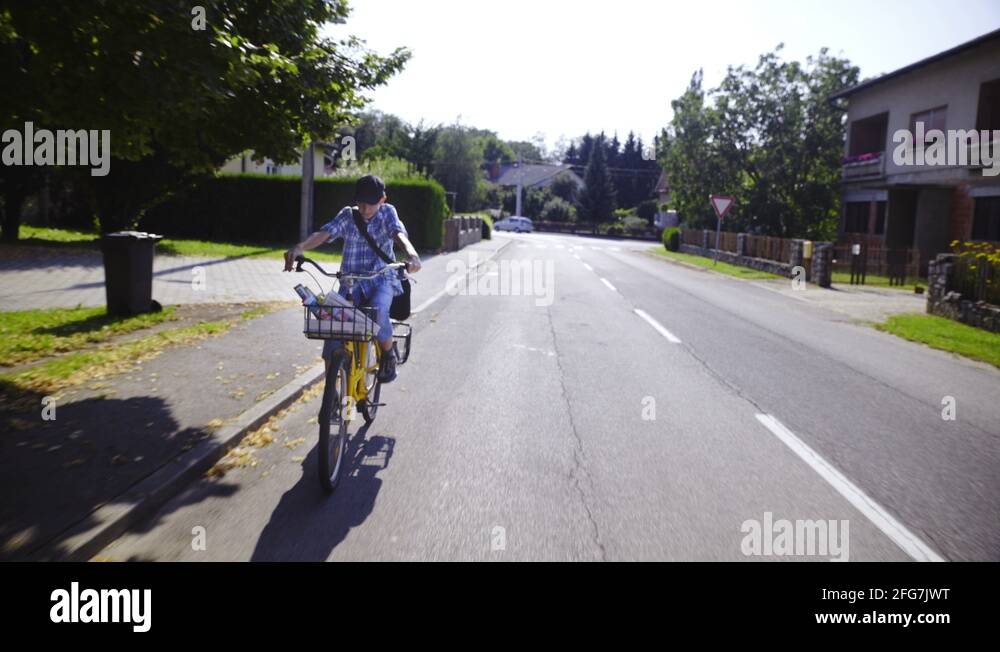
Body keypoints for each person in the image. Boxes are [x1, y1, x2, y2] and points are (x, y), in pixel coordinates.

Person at [283, 174, 421, 383]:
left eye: (371, 204)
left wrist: (412, 255)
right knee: (332, 328)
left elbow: (399, 235)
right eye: (361, 203)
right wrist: (300, 247)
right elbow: (325, 233)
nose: (365, 209)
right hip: (350, 283)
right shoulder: (348, 215)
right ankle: (332, 394)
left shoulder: (387, 213)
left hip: (381, 278)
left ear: (382, 200)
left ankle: (388, 353)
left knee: (378, 310)